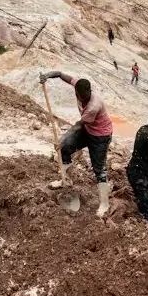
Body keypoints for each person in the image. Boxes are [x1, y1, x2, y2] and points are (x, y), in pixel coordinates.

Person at [39, 71, 114, 215]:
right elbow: (61, 74)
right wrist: (47, 76)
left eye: (86, 96)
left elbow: (78, 125)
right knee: (65, 148)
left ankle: (104, 203)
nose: (84, 99)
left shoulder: (93, 106)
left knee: (99, 169)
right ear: (77, 93)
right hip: (88, 129)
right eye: (82, 97)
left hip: (100, 136)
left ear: (89, 92)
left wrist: (63, 138)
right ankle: (65, 180)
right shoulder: (79, 85)